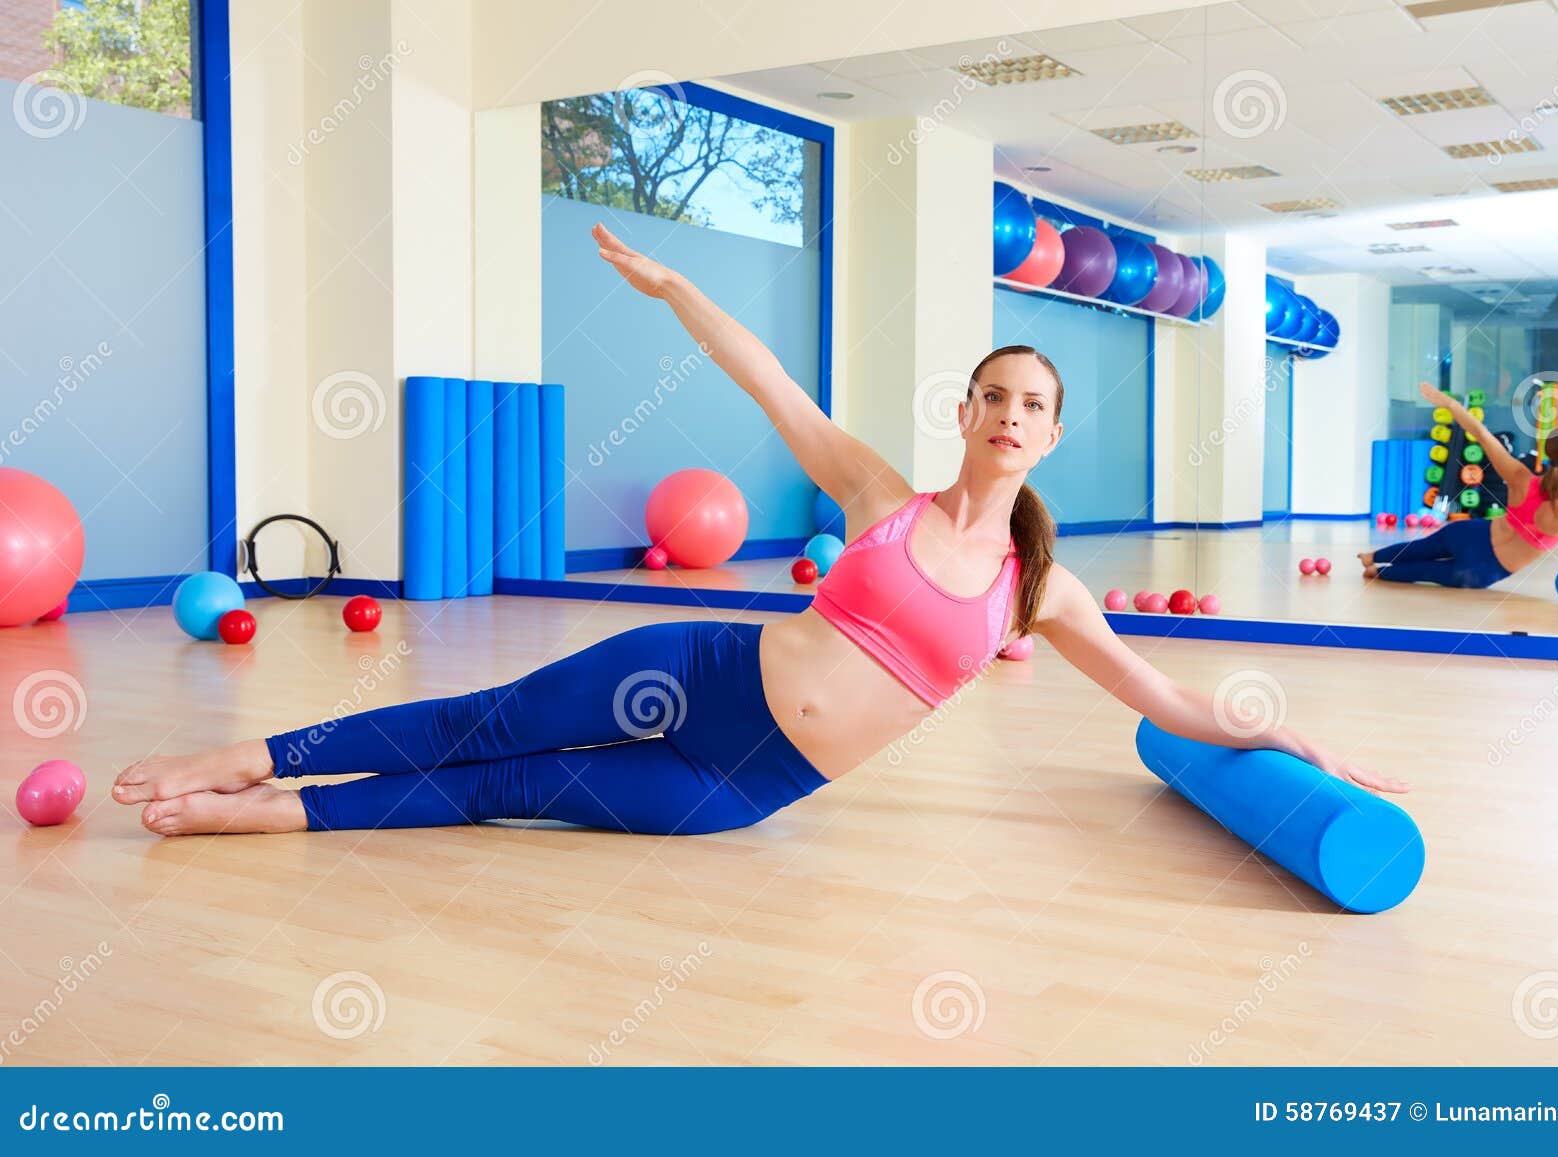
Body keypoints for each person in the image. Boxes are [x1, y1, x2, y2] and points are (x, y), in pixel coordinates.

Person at [112, 223, 1405, 837]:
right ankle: (249, 753)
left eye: (1036, 407)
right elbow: (770, 383)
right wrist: (677, 288)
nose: (1013, 417)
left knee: (507, 792)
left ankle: (266, 816)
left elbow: (1165, 693)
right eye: (997, 396)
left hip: (743, 782)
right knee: (483, 721)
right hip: (696, 674)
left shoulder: (1042, 589)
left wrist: (1293, 740)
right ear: (966, 412)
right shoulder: (880, 497)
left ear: (1052, 437)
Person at [1359, 381, 1558, 586]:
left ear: (1549, 451)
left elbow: (1483, 435)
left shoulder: (1521, 477)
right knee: (1428, 571)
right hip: (1482, 570)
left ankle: (1372, 556)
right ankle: (1378, 571)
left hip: (1470, 534)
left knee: (1425, 546)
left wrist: (1452, 404)